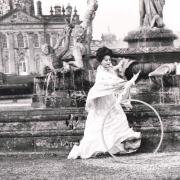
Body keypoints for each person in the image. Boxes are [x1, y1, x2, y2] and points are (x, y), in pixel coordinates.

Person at [68, 47, 141, 159]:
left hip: (110, 99)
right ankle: (98, 147)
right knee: (101, 123)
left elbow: (114, 75)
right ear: (100, 61)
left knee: (118, 119)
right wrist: (128, 82)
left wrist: (119, 67)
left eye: (109, 60)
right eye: (105, 60)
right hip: (102, 101)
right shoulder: (101, 72)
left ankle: (112, 147)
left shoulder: (109, 68)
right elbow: (112, 83)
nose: (108, 62)